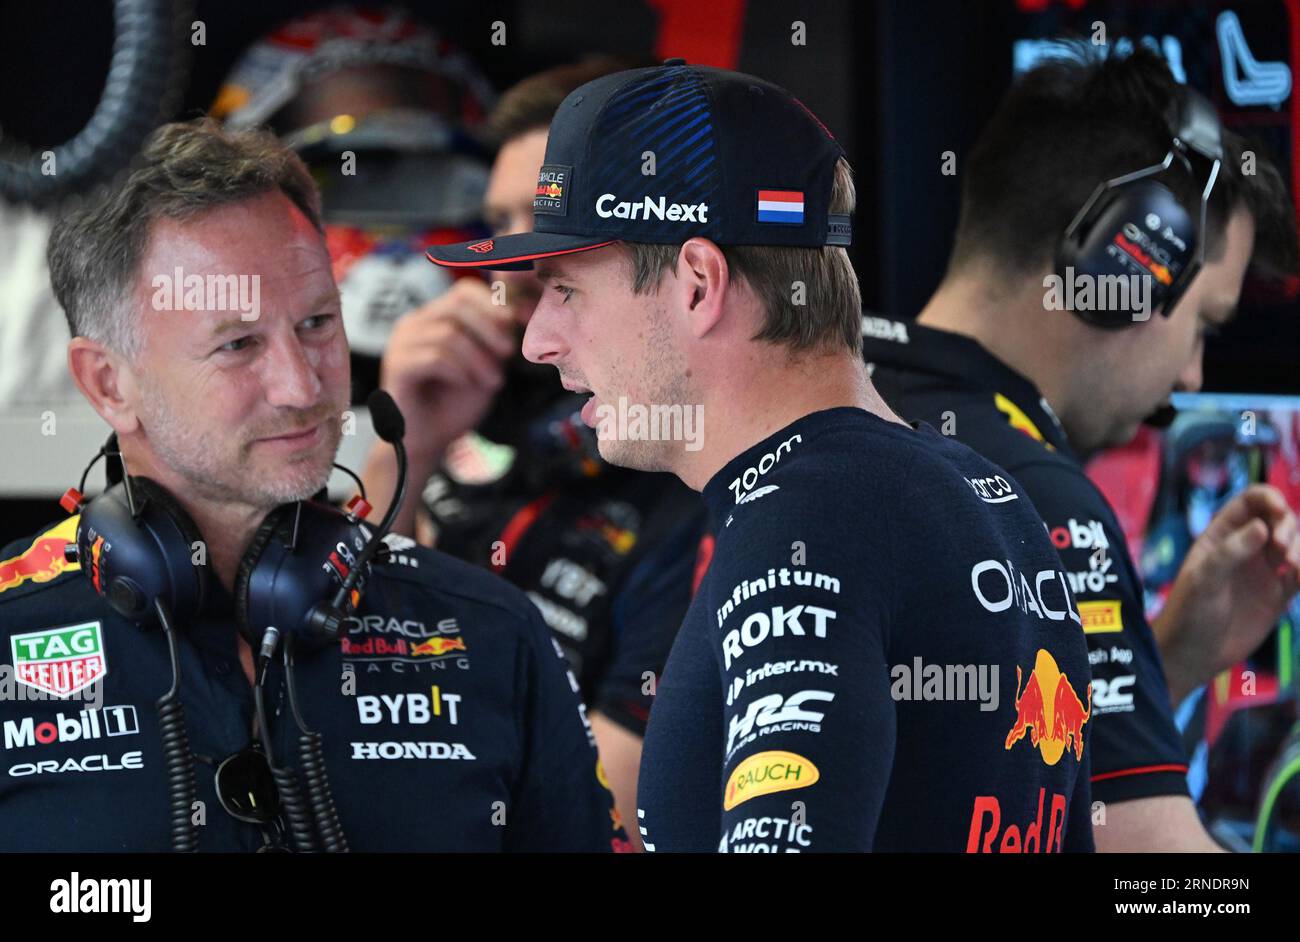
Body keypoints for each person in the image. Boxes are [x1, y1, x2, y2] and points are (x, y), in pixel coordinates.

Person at [429, 60, 1096, 852]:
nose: (539, 340)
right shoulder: (987, 491)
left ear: (699, 284)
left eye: (565, 290)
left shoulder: (806, 522)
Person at [0, 118, 624, 852]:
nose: (303, 387)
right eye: (237, 344)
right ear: (108, 382)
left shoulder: (493, 632)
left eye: (317, 323)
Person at [864, 46, 1300, 851]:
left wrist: (1164, 663)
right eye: (1201, 323)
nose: (1193, 375)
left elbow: (983, 764)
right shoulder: (1036, 497)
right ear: (1126, 258)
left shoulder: (835, 393)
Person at [362, 57, 708, 848]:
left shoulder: (693, 474)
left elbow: (607, 818)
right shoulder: (474, 420)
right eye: (501, 221)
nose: (511, 265)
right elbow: (340, 678)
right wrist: (402, 448)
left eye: (546, 220)